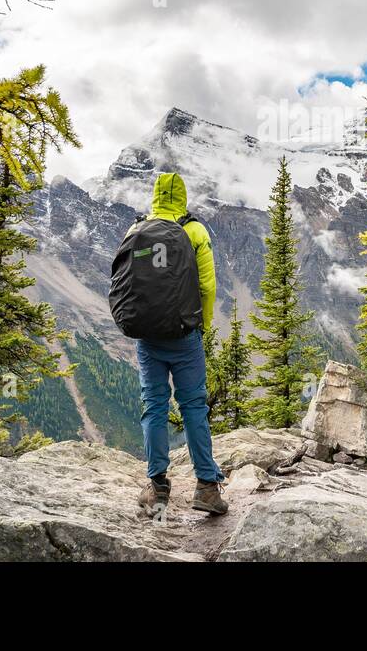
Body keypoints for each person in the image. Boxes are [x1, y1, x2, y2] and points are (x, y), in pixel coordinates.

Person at [123, 172, 227, 517]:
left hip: (148, 335)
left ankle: (157, 487)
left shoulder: (136, 229)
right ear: (182, 196)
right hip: (185, 335)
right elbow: (208, 287)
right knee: (194, 406)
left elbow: (126, 282)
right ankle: (207, 487)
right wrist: (202, 325)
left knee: (154, 405)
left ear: (155, 195)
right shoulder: (195, 231)